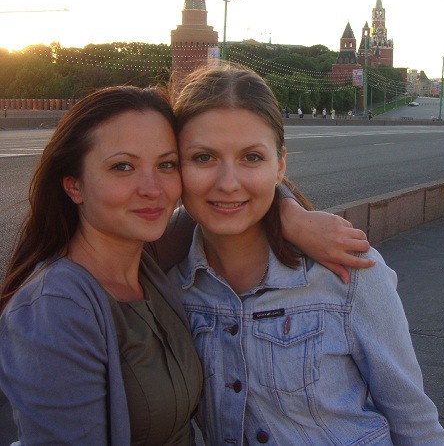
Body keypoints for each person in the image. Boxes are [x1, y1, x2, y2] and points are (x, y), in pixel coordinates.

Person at [0, 85, 374, 445]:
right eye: (123, 167)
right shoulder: (55, 307)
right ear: (73, 185)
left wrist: (288, 213)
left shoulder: (149, 259)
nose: (153, 189)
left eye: (166, 164)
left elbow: (227, 198)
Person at [169, 66, 444, 445]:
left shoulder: (347, 270)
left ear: (280, 165)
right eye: (203, 158)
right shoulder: (169, 284)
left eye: (252, 157)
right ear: (175, 167)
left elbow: (415, 423)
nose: (228, 183)